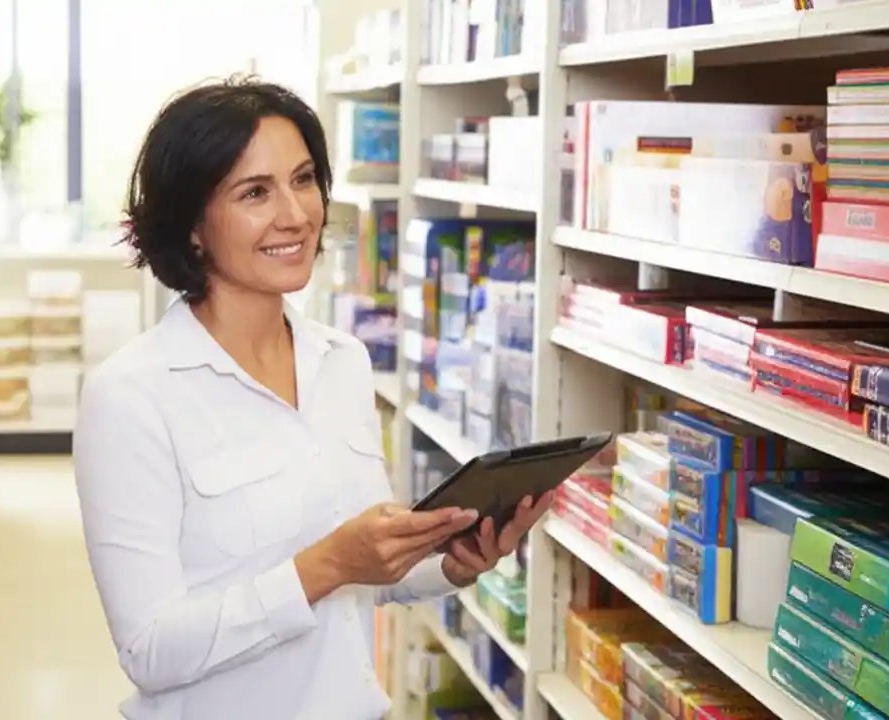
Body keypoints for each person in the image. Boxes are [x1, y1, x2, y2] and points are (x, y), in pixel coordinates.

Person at [73, 77, 554, 720]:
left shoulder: (342, 362)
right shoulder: (130, 396)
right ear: (192, 228)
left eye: (303, 180)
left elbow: (367, 578)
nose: (296, 215)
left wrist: (452, 559)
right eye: (254, 193)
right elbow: (149, 649)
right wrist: (322, 566)